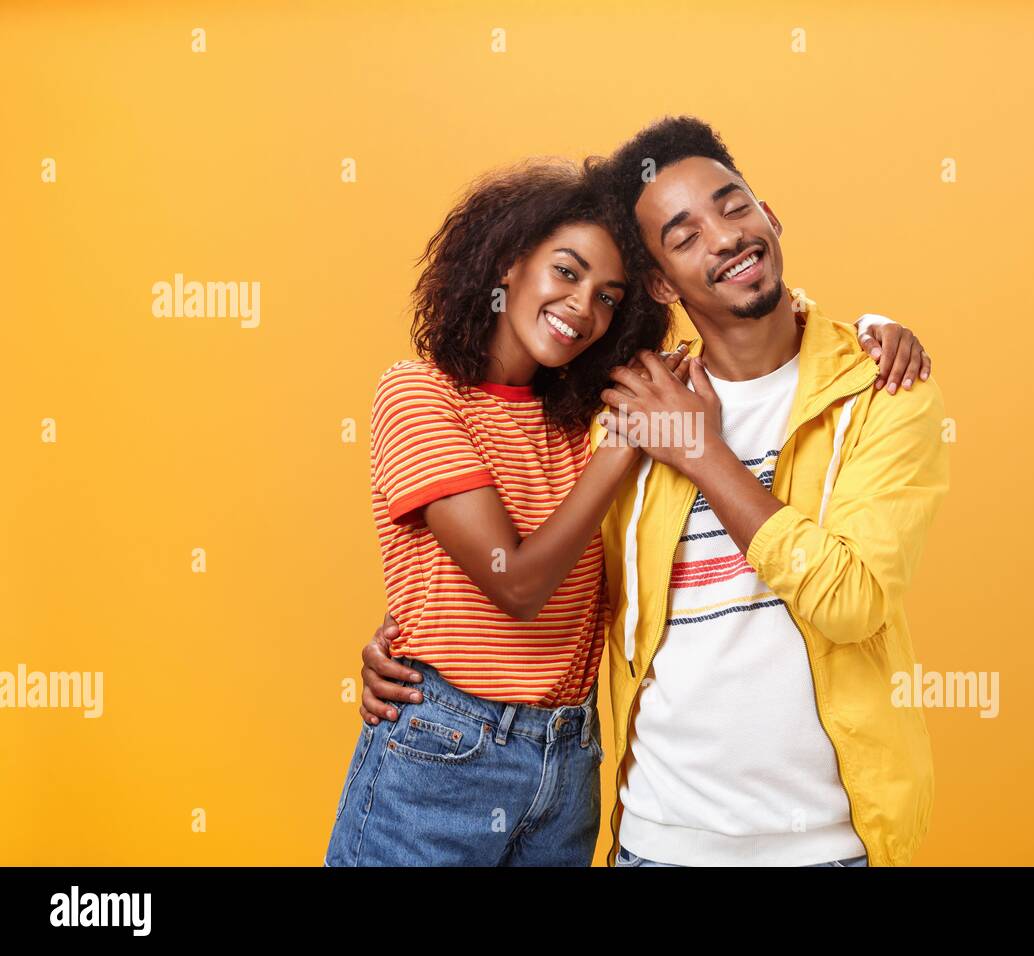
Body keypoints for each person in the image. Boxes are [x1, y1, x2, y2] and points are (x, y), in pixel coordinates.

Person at [350, 128, 939, 867]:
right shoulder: (615, 412)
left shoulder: (871, 386)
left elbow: (849, 600)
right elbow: (516, 575)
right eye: (684, 235)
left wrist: (871, 334)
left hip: (769, 826)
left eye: (733, 208)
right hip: (617, 820)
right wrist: (416, 643)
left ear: (769, 213)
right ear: (663, 283)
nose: (723, 239)